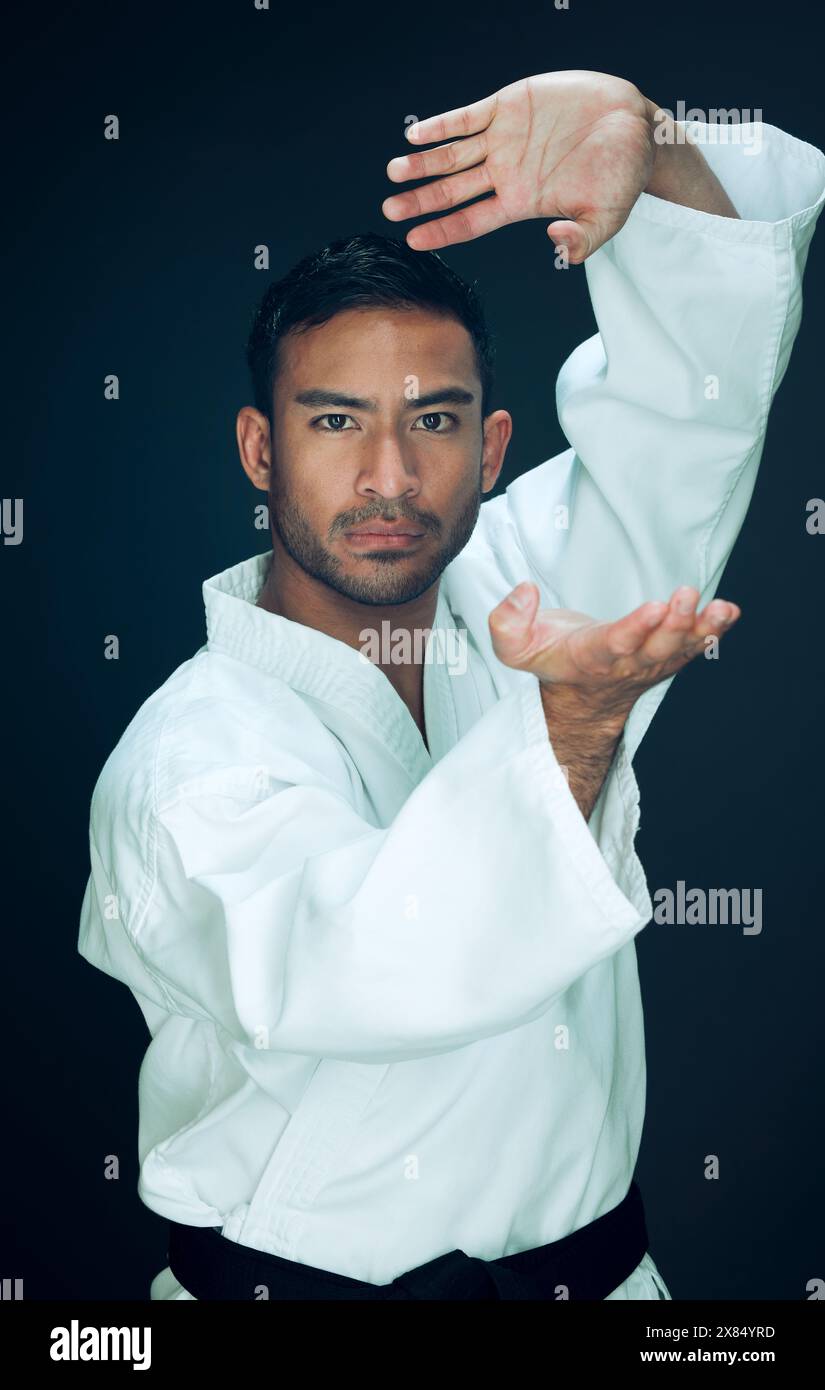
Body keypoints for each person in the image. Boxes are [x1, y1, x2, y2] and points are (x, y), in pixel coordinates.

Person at [78, 70, 824, 1301]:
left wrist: (659, 154)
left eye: (432, 422)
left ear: (489, 446)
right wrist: (571, 731)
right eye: (333, 423)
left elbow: (695, 418)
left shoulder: (521, 592)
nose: (387, 475)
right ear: (261, 448)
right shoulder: (188, 760)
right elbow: (373, 955)